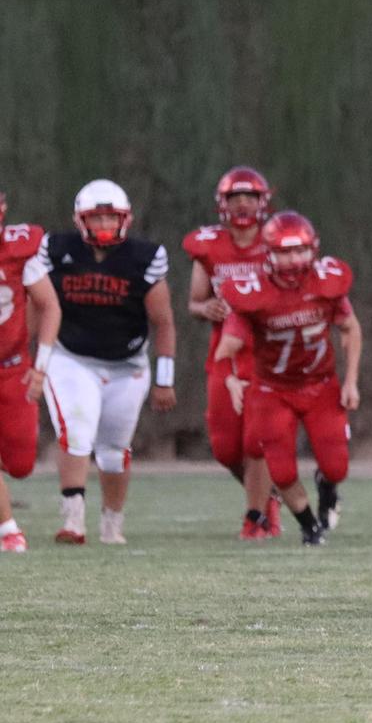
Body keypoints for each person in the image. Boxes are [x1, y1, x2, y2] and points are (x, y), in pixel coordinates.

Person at [38, 180, 177, 545]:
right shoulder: (56, 249)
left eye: (109, 218)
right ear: (79, 220)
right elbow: (38, 303)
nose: (103, 226)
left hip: (127, 364)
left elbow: (163, 322)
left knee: (114, 451)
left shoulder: (144, 256)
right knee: (77, 430)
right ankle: (73, 518)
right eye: (95, 218)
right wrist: (33, 356)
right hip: (71, 357)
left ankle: (112, 523)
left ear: (125, 220)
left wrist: (165, 379)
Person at [213, 212, 360, 545]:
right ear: (268, 253)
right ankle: (310, 527)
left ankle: (327, 484)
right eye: (283, 252)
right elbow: (227, 349)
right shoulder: (253, 293)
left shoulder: (327, 283)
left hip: (321, 386)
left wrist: (350, 380)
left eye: (300, 251)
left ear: (314, 250)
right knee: (281, 471)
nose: (293, 260)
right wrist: (232, 379)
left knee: (337, 467)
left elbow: (350, 328)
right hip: (273, 390)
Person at [183, 166, 282, 537]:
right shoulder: (207, 246)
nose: (242, 204)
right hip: (224, 354)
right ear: (222, 204)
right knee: (226, 449)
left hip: (266, 353)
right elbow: (194, 302)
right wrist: (205, 309)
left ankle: (255, 517)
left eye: (250, 197)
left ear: (263, 201)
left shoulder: (278, 242)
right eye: (235, 197)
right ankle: (267, 498)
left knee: (256, 442)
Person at [0, 189, 60, 553]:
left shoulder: (19, 250)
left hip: (12, 368)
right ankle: (8, 529)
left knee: (21, 464)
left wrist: (40, 367)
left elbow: (50, 306)